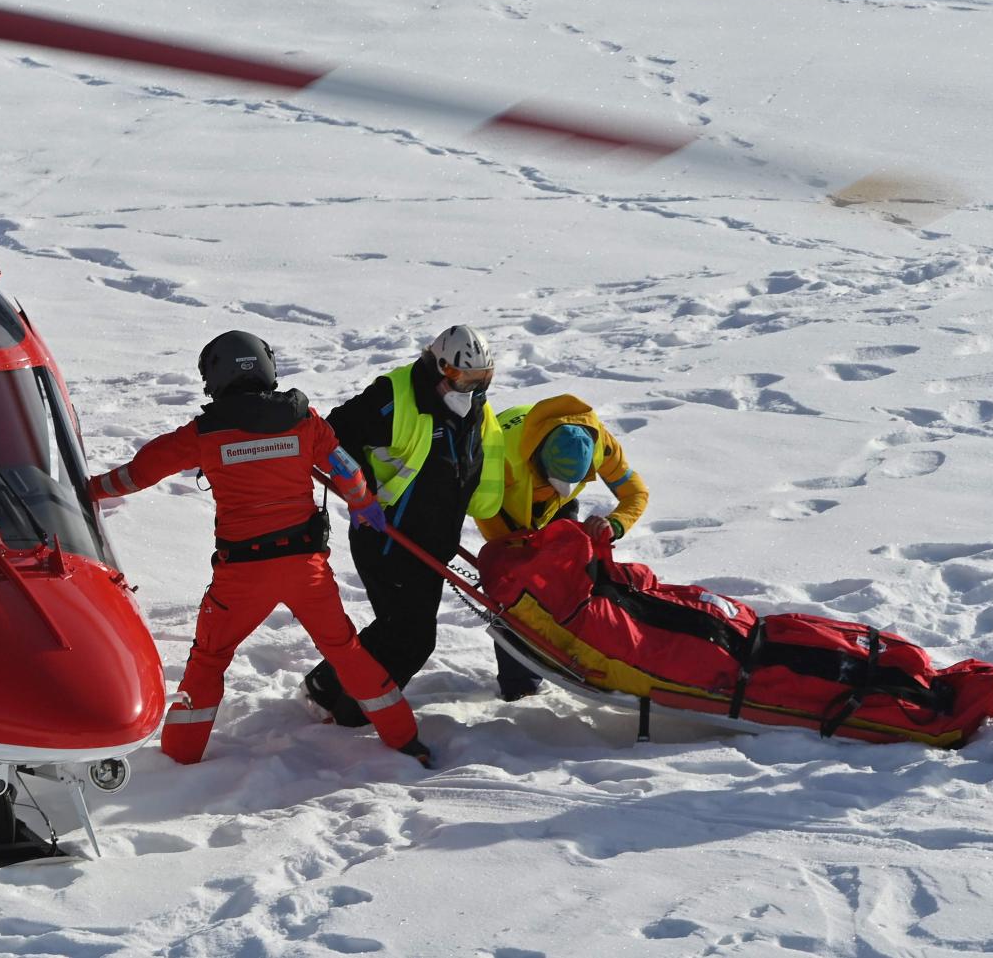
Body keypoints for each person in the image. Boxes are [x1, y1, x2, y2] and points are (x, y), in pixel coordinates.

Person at [87, 331, 431, 767]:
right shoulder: (304, 421)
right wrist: (364, 505)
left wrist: (90, 491)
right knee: (346, 652)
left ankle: (179, 756)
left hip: (241, 576)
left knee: (209, 660)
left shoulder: (203, 434)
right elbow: (348, 471)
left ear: (216, 376)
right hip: (307, 569)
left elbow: (139, 473)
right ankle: (405, 738)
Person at [302, 325, 505, 726]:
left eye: (481, 381)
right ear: (441, 369)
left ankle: (329, 686)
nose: (471, 389)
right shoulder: (393, 396)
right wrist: (362, 492)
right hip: (385, 537)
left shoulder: (475, 411)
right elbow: (328, 437)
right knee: (411, 637)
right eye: (464, 379)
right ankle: (352, 709)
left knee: (401, 630)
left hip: (432, 543)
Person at [474, 394, 650, 700]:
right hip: (503, 508)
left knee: (573, 577)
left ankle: (575, 648)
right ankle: (520, 687)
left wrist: (615, 524)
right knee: (515, 597)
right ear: (538, 458)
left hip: (555, 506)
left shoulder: (599, 444)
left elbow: (635, 492)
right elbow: (470, 503)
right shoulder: (497, 457)